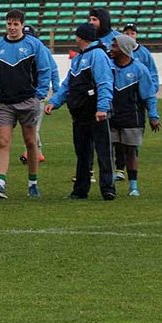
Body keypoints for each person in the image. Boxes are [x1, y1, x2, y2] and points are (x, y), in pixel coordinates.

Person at [0, 9, 52, 200]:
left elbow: (44, 70)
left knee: (30, 142)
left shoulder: (34, 45)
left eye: (16, 24)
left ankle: (32, 183)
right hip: (3, 103)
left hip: (27, 101)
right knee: (3, 141)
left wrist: (38, 95)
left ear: (22, 25)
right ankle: (0, 182)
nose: (12, 27)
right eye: (9, 23)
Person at [45, 23, 115, 200]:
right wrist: (55, 102)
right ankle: (80, 190)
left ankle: (108, 188)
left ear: (81, 37)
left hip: (95, 111)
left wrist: (102, 108)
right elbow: (68, 84)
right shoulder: (79, 58)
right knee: (82, 152)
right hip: (80, 113)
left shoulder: (97, 55)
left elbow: (104, 82)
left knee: (103, 151)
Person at [107, 34, 160, 197]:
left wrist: (153, 115)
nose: (111, 49)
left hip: (133, 117)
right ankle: (109, 184)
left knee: (131, 150)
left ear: (124, 49)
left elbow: (149, 95)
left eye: (114, 46)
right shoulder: (108, 67)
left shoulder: (139, 69)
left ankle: (133, 186)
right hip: (111, 115)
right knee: (112, 149)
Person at [18, 24, 60, 166]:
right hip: (23, 93)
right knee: (30, 124)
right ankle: (38, 152)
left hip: (37, 93)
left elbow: (52, 69)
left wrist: (56, 89)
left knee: (32, 124)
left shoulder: (41, 50)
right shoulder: (18, 50)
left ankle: (30, 152)